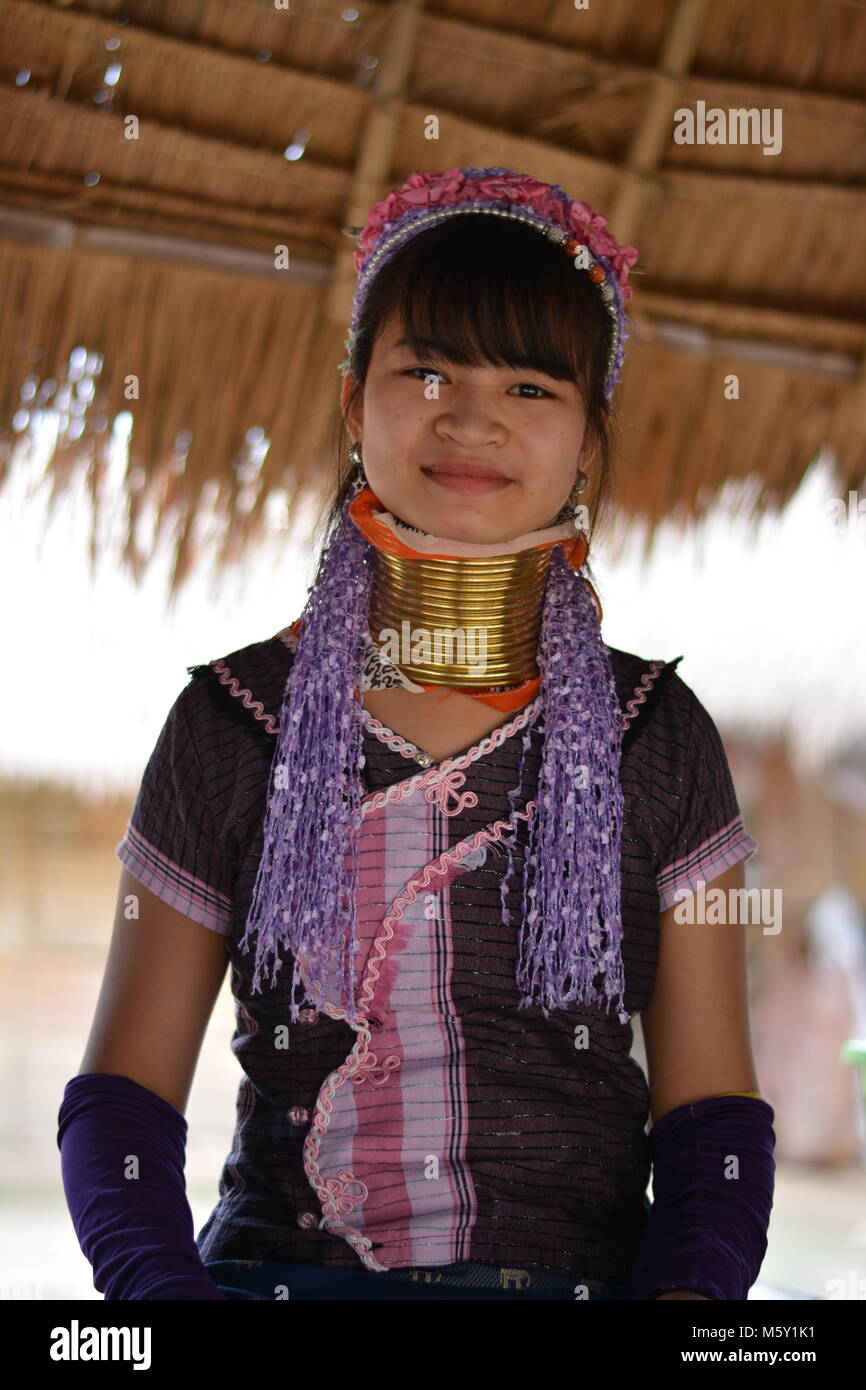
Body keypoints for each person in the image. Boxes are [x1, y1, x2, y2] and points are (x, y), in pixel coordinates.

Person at [57, 166, 775, 1302]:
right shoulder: (231, 723)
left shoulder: (654, 738)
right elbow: (123, 1101)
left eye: (532, 386)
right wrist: (165, 1302)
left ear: (589, 438)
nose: (472, 416)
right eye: (425, 368)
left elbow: (713, 1121)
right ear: (353, 404)